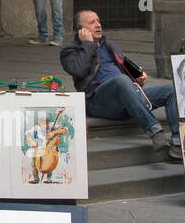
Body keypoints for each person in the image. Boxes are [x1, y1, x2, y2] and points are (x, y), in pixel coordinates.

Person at [60, 10, 181, 158]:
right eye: (91, 23)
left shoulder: (110, 45)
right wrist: (88, 44)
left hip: (126, 94)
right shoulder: (70, 51)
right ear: (80, 29)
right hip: (98, 101)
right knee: (121, 81)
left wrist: (138, 78)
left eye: (98, 21)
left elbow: (124, 69)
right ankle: (154, 130)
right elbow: (78, 70)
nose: (98, 25)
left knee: (171, 90)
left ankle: (177, 144)